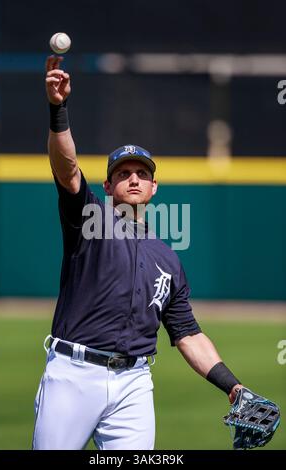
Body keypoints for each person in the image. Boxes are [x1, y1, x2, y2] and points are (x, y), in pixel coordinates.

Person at [32, 55, 243, 450]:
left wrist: (232, 386)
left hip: (134, 384)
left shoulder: (168, 258)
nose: (133, 179)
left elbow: (187, 334)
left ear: (153, 188)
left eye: (142, 174)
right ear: (108, 186)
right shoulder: (87, 220)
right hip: (74, 375)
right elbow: (67, 168)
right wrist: (58, 109)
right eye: (123, 174)